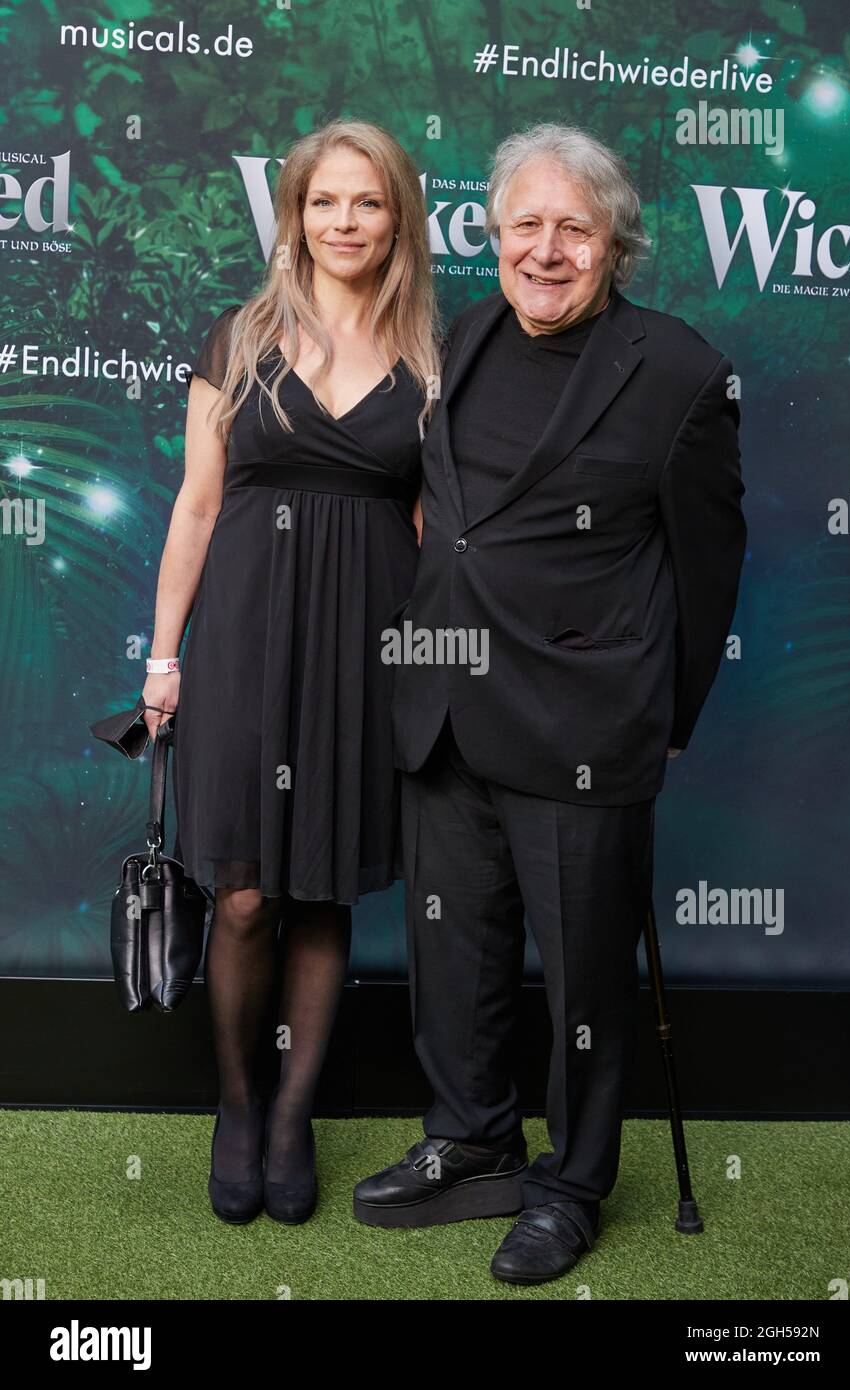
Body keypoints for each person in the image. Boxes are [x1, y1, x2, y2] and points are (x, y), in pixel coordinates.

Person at [353, 122, 747, 1284]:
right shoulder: (462, 338)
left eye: (574, 227)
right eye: (525, 224)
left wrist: (666, 715)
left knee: (581, 975)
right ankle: (471, 1139)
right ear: (492, 232)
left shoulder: (678, 371)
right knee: (453, 953)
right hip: (446, 710)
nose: (546, 248)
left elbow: (710, 564)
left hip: (583, 727)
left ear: (613, 241)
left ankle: (570, 1184)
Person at [141, 120, 437, 1225]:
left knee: (323, 889)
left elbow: (427, 525)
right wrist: (164, 656)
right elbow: (198, 506)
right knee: (249, 891)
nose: (344, 222)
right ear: (295, 215)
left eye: (366, 202)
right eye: (324, 202)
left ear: (398, 216)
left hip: (367, 646)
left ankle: (292, 1114)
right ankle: (235, 1101)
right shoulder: (239, 337)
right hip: (244, 639)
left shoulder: (427, 362)